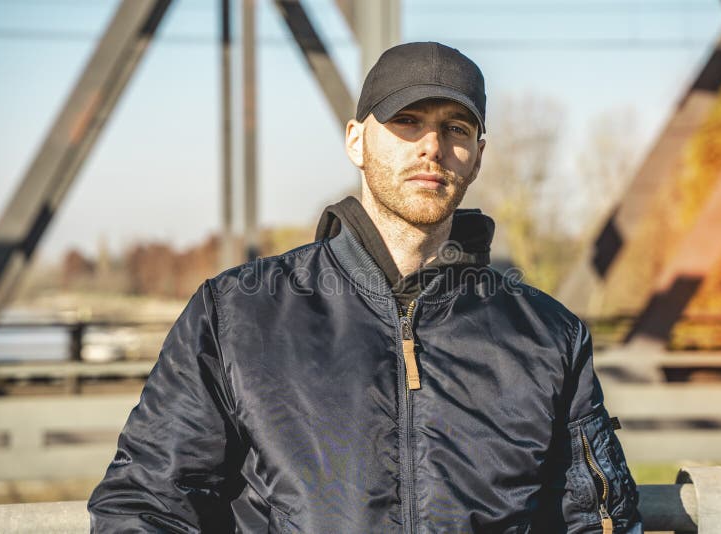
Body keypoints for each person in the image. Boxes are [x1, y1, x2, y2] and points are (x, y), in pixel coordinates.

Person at [89, 42, 642, 533]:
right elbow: (146, 504)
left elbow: (595, 519)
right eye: (407, 119)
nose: (432, 145)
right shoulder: (236, 313)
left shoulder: (548, 335)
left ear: (477, 154)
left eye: (457, 128)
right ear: (356, 141)